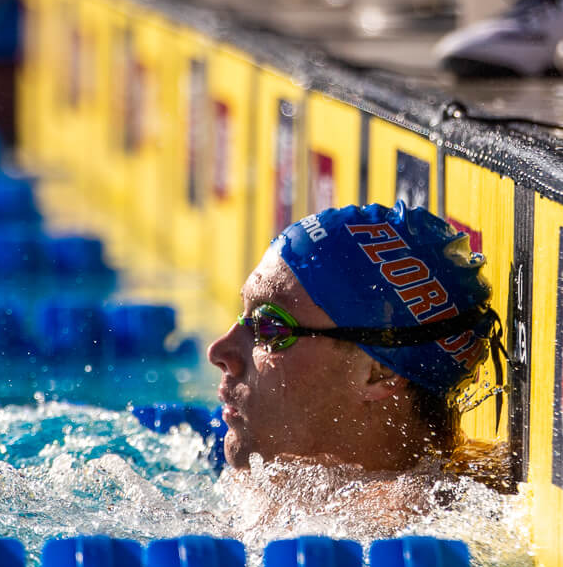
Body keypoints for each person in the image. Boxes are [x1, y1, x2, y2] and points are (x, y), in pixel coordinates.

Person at [206, 202, 507, 491]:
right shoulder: (267, 491)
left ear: (379, 371)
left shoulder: (436, 524)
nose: (219, 351)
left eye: (270, 328)